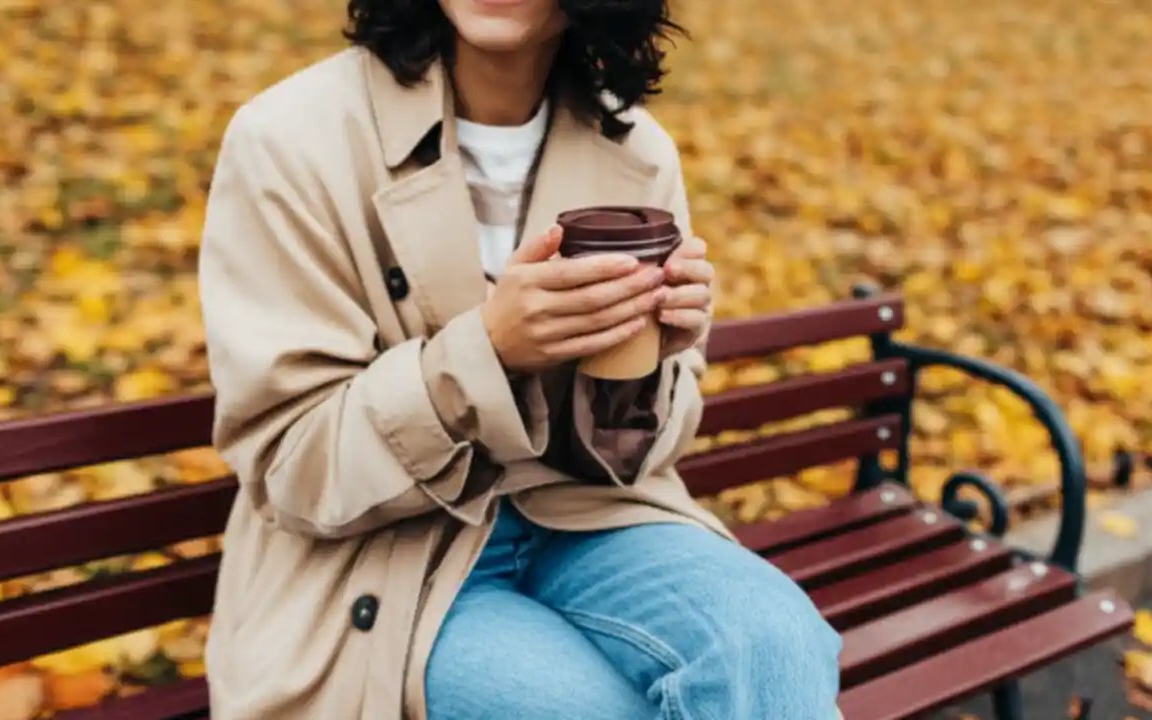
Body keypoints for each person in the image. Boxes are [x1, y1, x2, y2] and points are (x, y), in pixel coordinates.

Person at [197, 0, 843, 717]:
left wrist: (649, 360)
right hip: (385, 555)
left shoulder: (635, 152)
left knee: (779, 645)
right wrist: (487, 353)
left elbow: (635, 460)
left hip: (583, 519)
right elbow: (292, 463)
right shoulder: (290, 140)